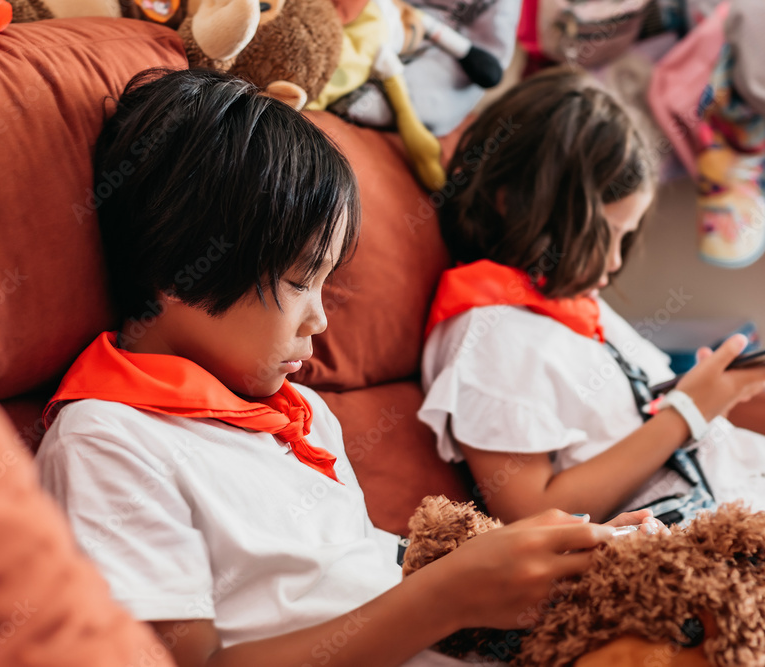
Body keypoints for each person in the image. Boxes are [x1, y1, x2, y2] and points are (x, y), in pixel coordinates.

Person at [35, 67, 660, 667]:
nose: (320, 321)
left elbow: (354, 580)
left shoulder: (303, 417)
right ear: (180, 268)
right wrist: (448, 595)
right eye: (300, 280)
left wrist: (544, 557)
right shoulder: (109, 440)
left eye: (326, 284)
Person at [418, 66, 765, 605]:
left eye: (626, 236)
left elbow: (644, 411)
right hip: (732, 559)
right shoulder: (489, 331)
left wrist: (715, 392)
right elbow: (532, 514)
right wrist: (688, 412)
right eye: (606, 235)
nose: (615, 263)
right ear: (512, 200)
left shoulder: (575, 303)